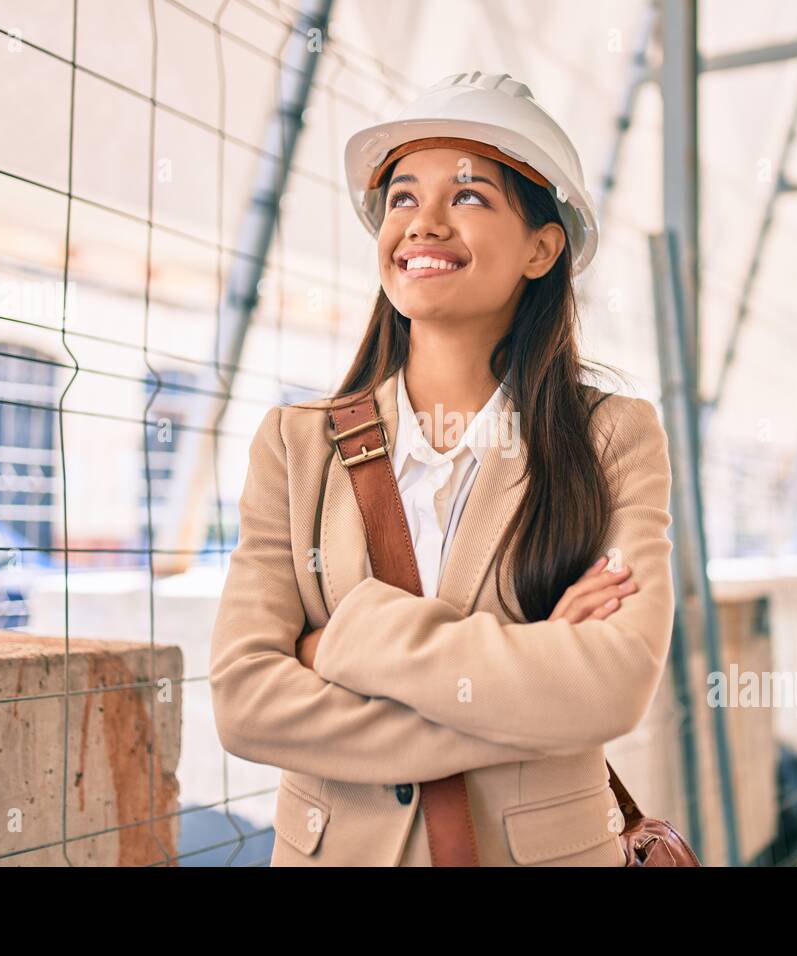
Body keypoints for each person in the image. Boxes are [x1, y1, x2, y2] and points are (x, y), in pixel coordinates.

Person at [209, 71, 675, 866]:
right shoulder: (295, 447)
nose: (421, 223)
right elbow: (246, 702)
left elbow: (612, 683)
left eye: (466, 197)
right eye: (400, 198)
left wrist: (344, 640)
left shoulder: (612, 439)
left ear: (541, 247)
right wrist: (526, 688)